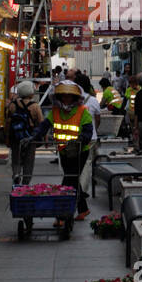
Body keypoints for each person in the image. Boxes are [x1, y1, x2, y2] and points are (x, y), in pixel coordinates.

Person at [50, 81, 96, 219]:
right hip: (64, 151)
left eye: (69, 96)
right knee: (73, 180)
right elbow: (44, 125)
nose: (66, 99)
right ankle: (83, 209)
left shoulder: (83, 111)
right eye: (63, 96)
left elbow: (88, 131)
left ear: (75, 98)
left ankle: (62, 214)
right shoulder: (55, 111)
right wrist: (34, 136)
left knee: (68, 180)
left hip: (80, 151)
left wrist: (81, 139)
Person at [6, 80, 49, 186]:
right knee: (28, 162)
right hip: (30, 137)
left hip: (16, 137)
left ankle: (16, 176)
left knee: (16, 159)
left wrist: (7, 138)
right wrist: (46, 138)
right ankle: (25, 184)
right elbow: (41, 123)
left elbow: (8, 122)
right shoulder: (35, 106)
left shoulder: (12, 105)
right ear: (31, 92)